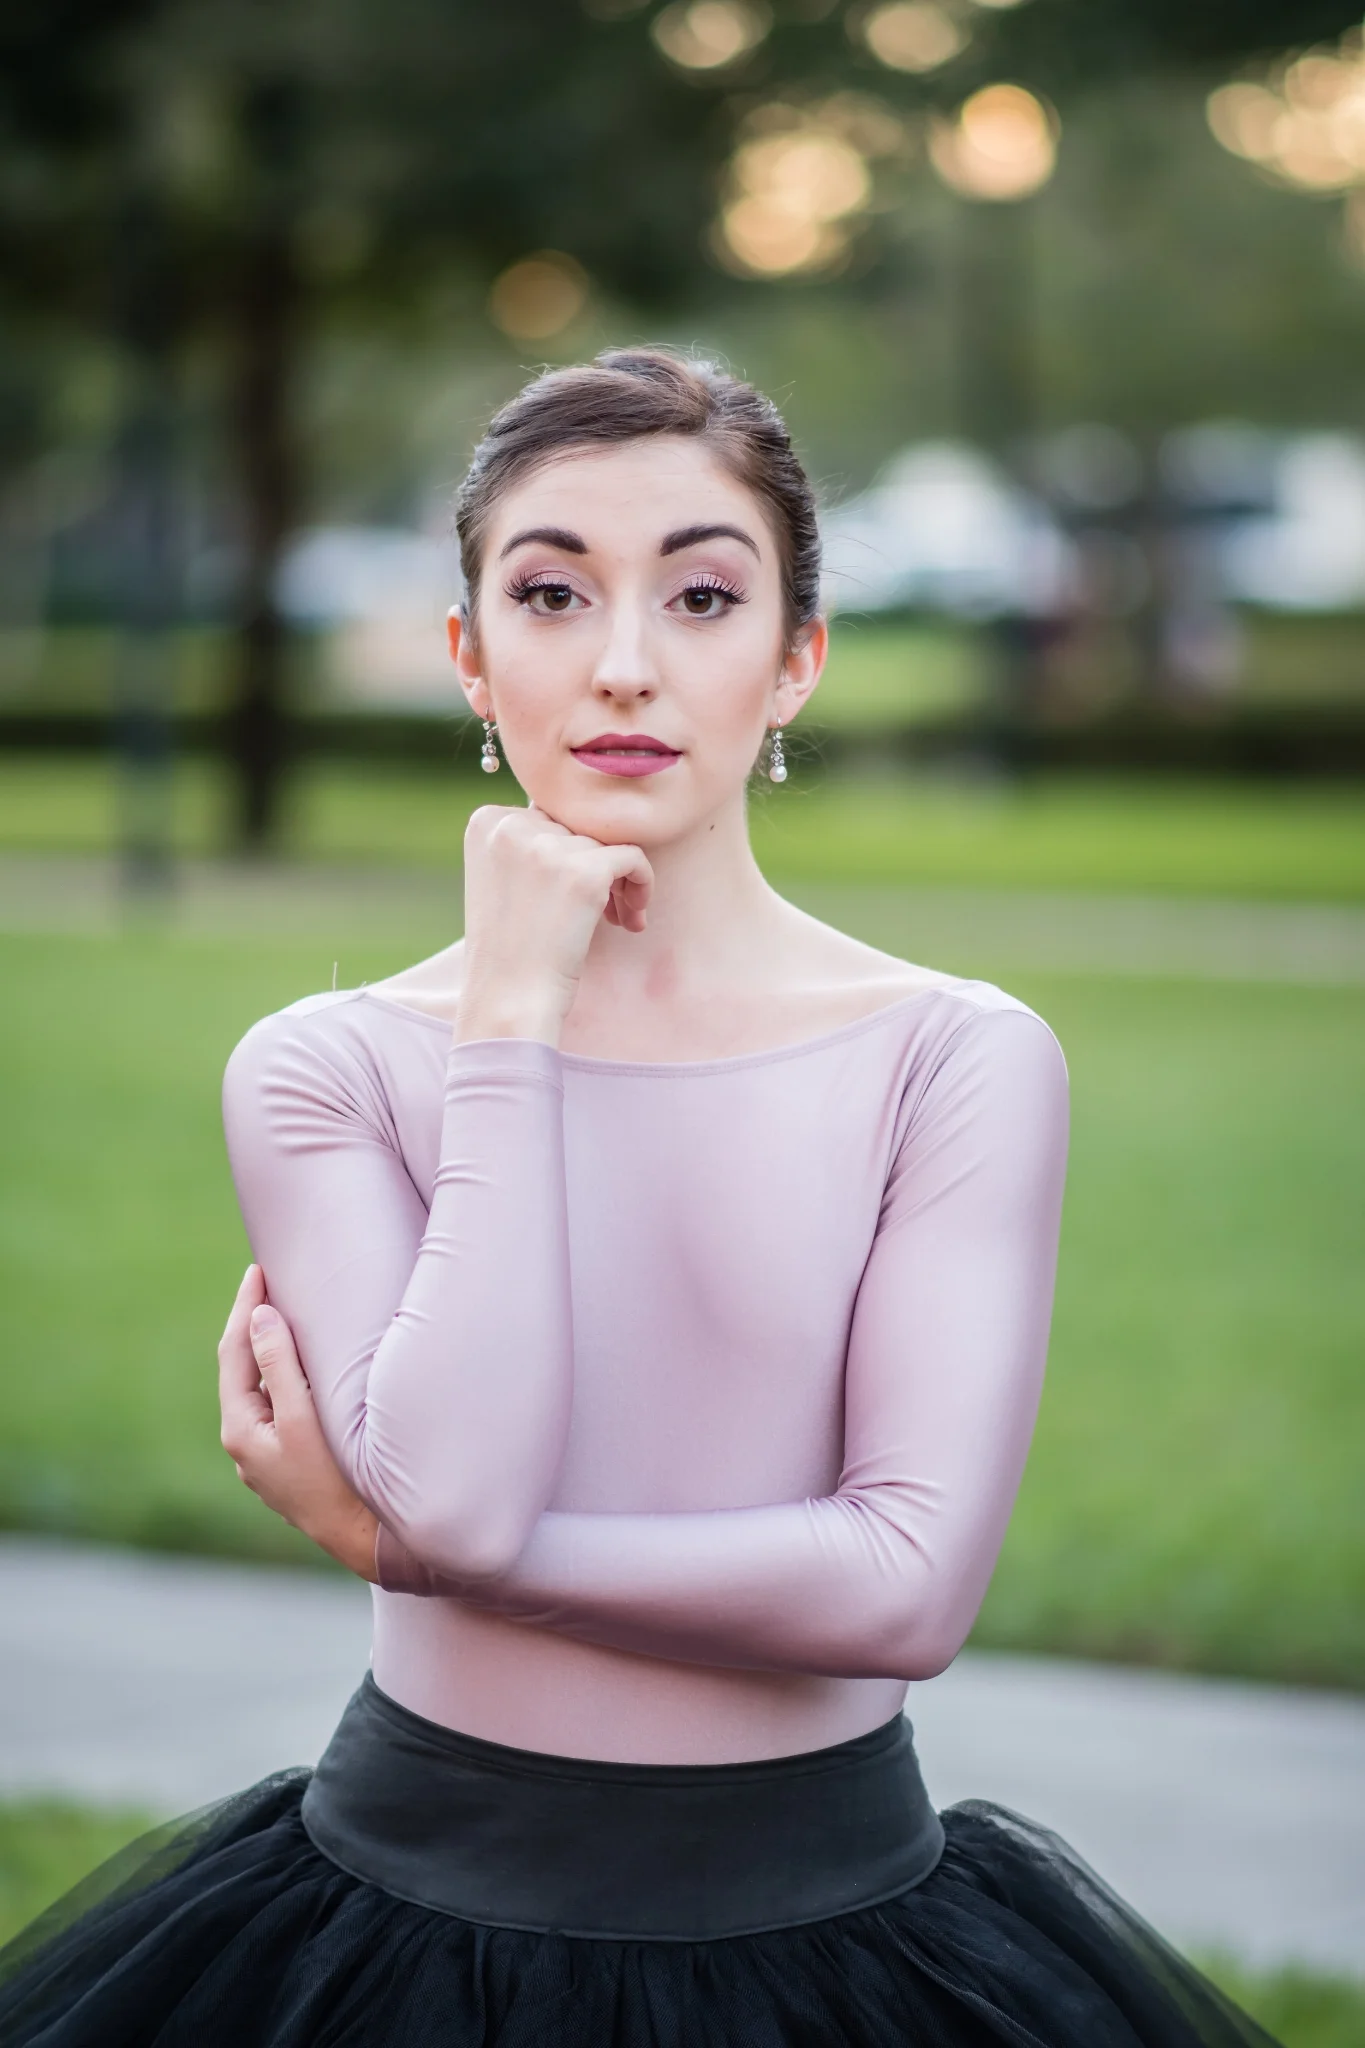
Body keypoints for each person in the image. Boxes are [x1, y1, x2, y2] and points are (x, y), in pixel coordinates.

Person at [0, 349, 1278, 2047]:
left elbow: (905, 1585)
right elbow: (460, 1483)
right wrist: (511, 1018)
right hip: (398, 1932)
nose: (623, 665)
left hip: (842, 1934)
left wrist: (401, 1548)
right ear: (468, 654)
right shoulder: (327, 1067)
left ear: (795, 660)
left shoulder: (952, 1058)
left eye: (699, 594)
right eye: (549, 592)